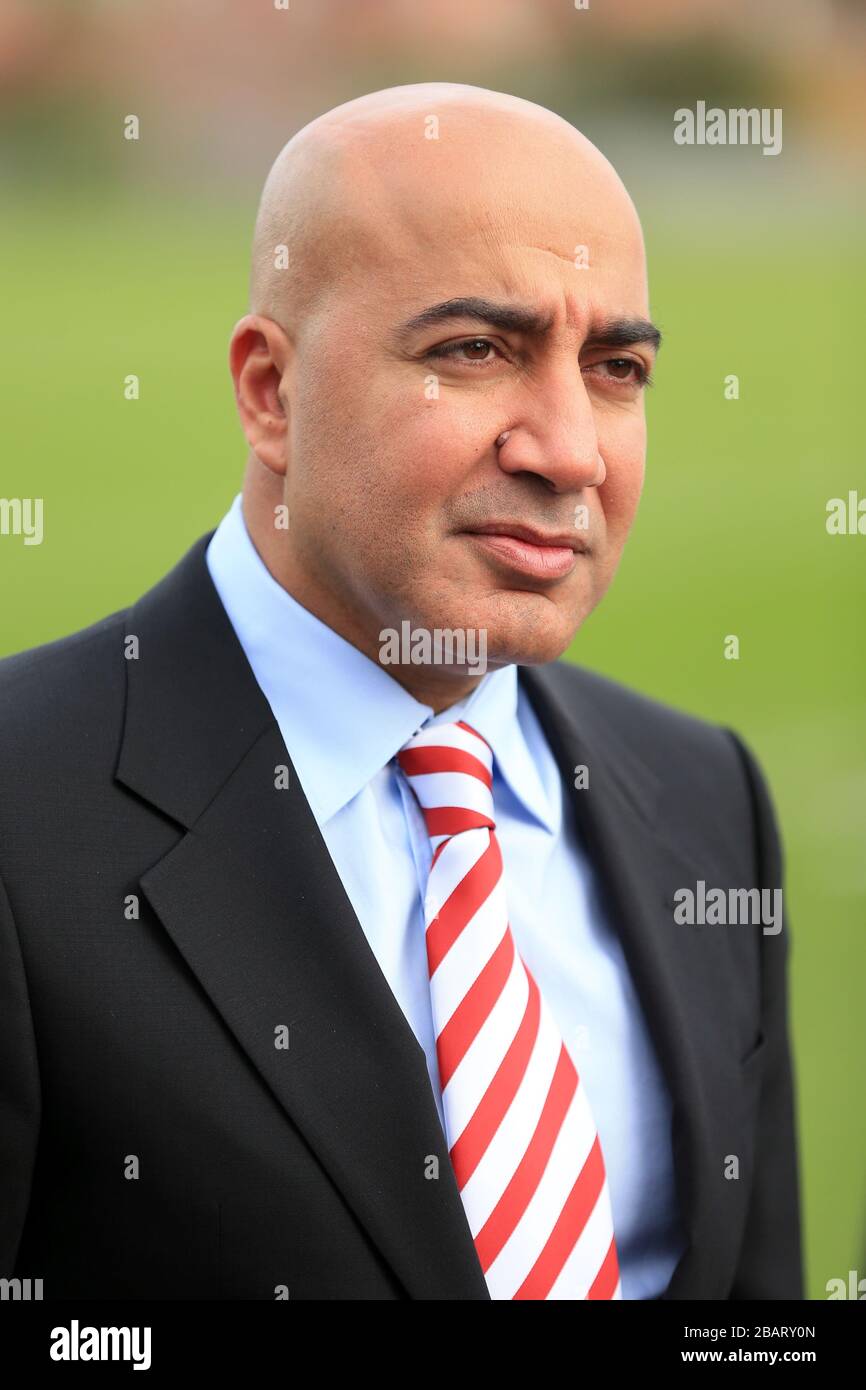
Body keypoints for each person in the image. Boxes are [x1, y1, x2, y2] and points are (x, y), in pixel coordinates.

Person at [0, 83, 803, 1300]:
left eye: (614, 366)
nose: (569, 448)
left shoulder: (706, 800)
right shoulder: (23, 810)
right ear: (271, 391)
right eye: (474, 351)